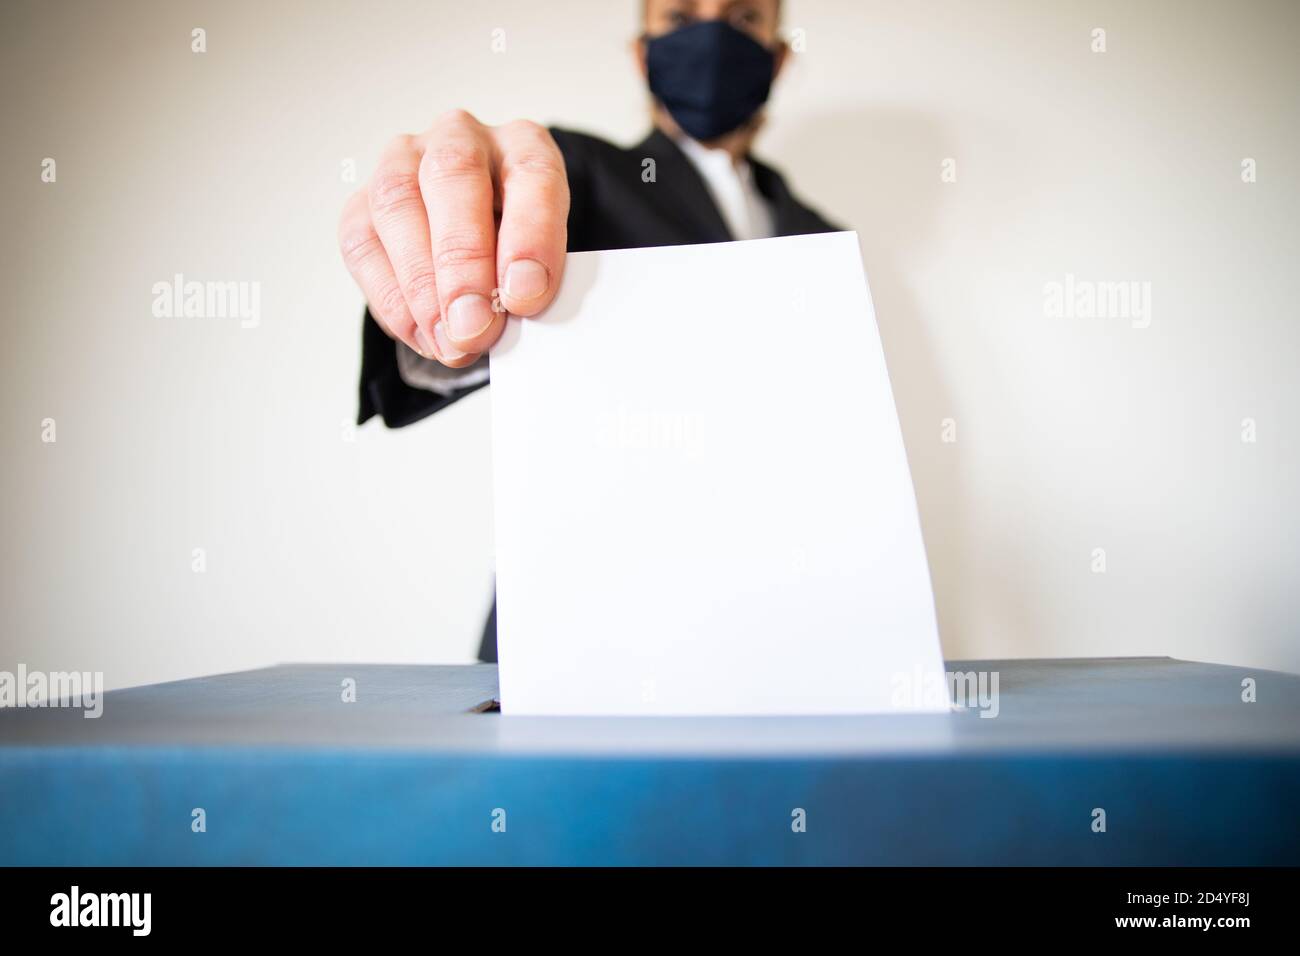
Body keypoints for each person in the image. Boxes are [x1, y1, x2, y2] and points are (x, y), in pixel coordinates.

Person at [339, 0, 838, 661]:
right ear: (642, 52)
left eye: (744, 17)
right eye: (681, 17)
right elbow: (503, 234)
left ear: (778, 56)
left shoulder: (825, 237)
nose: (713, 37)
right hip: (579, 623)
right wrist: (446, 283)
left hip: (782, 620)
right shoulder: (579, 177)